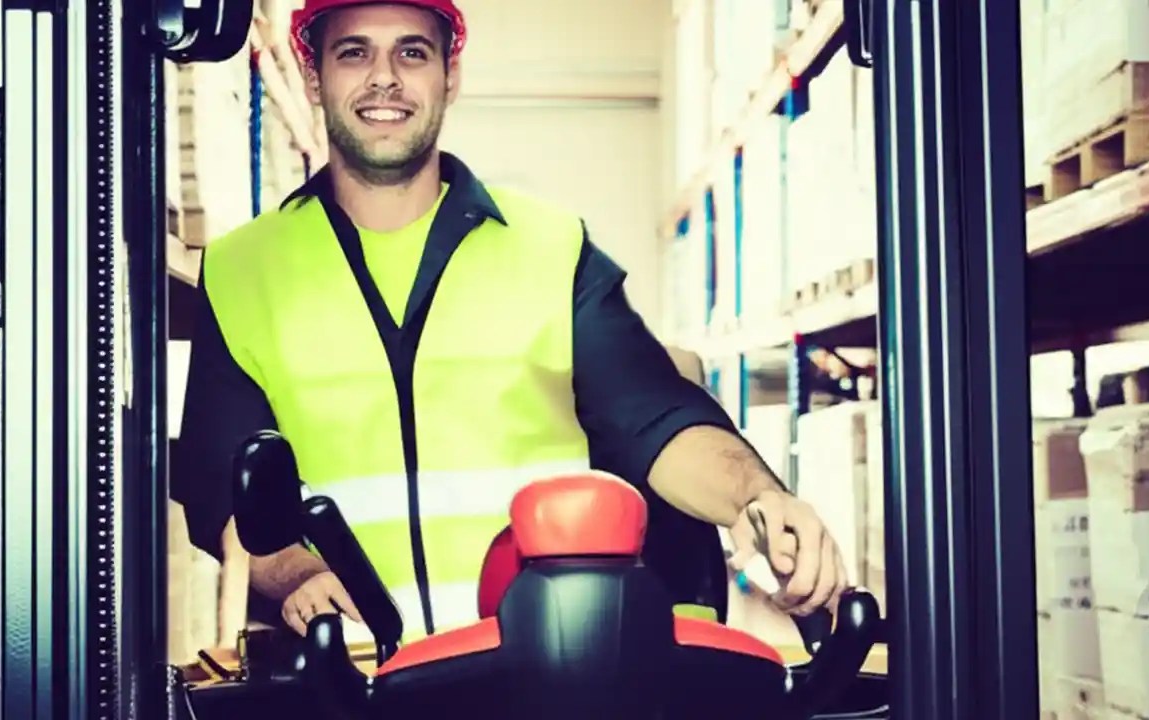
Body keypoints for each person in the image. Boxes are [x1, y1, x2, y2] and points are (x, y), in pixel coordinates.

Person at [172, 0, 850, 640]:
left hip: (537, 668)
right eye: (354, 52)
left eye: (412, 52)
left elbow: (656, 417)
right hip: (353, 677)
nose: (385, 78)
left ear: (450, 75)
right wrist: (300, 572)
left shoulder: (549, 247)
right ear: (315, 76)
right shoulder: (241, 270)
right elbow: (220, 494)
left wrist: (759, 500)